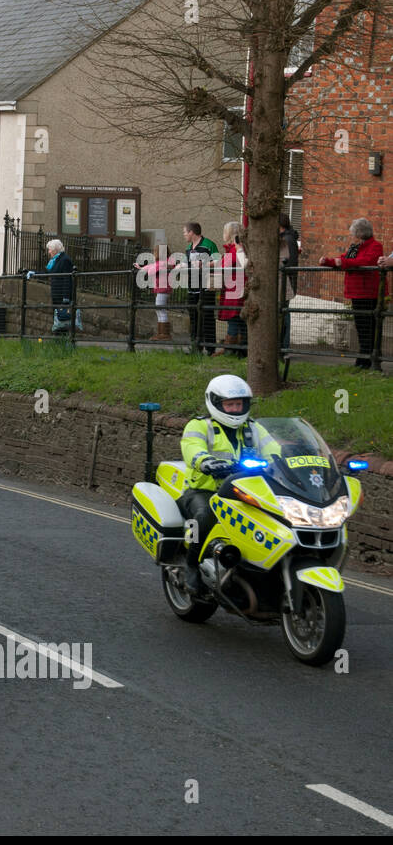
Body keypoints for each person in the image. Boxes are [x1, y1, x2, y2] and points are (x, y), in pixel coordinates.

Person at [178, 374, 270, 595]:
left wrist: (287, 460)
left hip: (245, 492)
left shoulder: (254, 428)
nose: (236, 409)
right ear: (216, 403)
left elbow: (275, 449)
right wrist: (205, 461)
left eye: (239, 404)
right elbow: (191, 447)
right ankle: (191, 565)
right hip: (205, 491)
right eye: (230, 405)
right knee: (203, 516)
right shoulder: (200, 425)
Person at [319, 217, 384, 369]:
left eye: (354, 233)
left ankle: (368, 360)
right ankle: (362, 359)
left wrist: (343, 263)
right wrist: (328, 261)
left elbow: (365, 262)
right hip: (357, 292)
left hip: (368, 293)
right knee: (361, 327)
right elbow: (344, 259)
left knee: (368, 327)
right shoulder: (355, 247)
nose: (352, 236)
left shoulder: (376, 246)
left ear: (360, 233)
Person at [181, 222, 220, 355]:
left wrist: (204, 264)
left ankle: (210, 349)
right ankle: (195, 347)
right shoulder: (188, 247)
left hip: (206, 288)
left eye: (185, 232)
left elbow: (218, 261)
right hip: (192, 287)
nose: (184, 235)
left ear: (192, 232)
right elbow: (187, 263)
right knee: (193, 317)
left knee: (207, 316)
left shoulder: (209, 244)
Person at [214, 221, 247, 357]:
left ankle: (230, 349)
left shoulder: (236, 249)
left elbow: (224, 265)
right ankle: (239, 349)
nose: (223, 234)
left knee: (234, 318)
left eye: (224, 231)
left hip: (235, 289)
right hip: (234, 287)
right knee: (238, 320)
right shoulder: (235, 248)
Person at [36, 239, 76, 333]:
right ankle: (58, 340)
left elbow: (67, 279)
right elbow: (46, 273)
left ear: (55, 250)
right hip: (56, 294)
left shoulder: (65, 260)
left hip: (62, 295)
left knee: (62, 318)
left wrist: (66, 298)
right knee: (57, 318)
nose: (49, 252)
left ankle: (63, 341)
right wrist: (33, 273)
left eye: (50, 250)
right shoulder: (54, 260)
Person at [279, 213, 300, 350]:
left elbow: (289, 263)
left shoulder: (287, 240)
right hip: (284, 281)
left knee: (284, 313)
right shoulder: (287, 238)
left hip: (285, 282)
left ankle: (284, 345)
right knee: (282, 313)